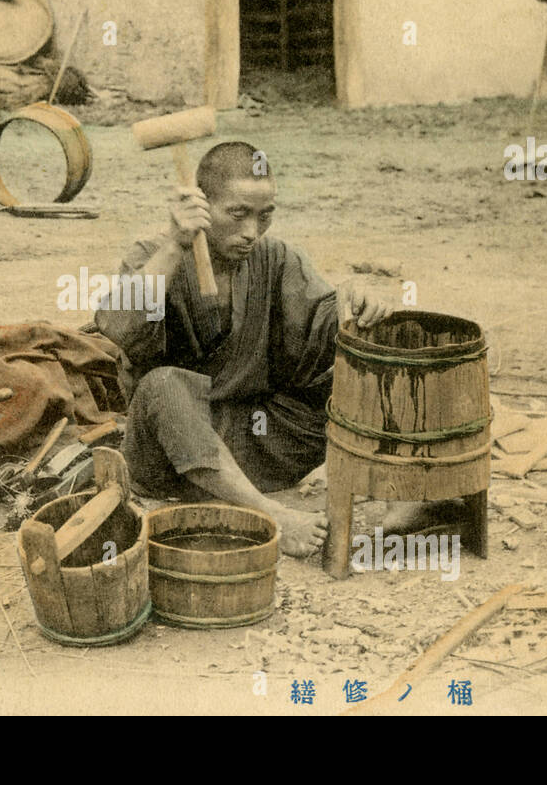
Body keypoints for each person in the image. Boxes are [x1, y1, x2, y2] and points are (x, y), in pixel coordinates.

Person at [95, 141, 393, 557]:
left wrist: (354, 305)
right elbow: (116, 327)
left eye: (264, 215)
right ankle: (269, 514)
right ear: (202, 205)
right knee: (163, 385)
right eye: (237, 214)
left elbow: (323, 329)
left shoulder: (276, 257)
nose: (252, 231)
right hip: (168, 449)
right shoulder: (154, 253)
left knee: (351, 378)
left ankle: (403, 491)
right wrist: (175, 247)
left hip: (252, 440)